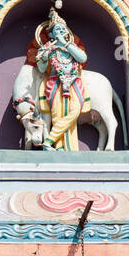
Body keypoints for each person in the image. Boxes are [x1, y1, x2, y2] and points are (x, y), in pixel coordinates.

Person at [35, 9, 89, 151]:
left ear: (67, 32)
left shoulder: (71, 47)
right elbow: (41, 68)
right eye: (56, 29)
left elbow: (82, 58)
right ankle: (59, 147)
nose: (60, 31)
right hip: (55, 84)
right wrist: (45, 57)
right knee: (57, 115)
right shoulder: (47, 49)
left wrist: (64, 43)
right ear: (51, 34)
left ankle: (48, 140)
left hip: (74, 83)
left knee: (75, 111)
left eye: (62, 29)